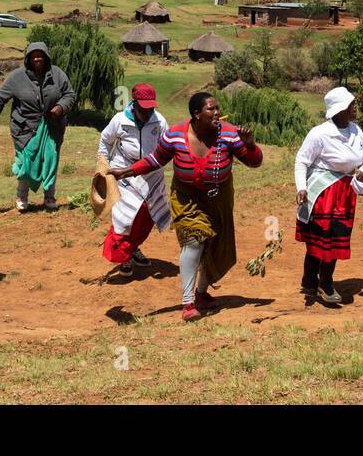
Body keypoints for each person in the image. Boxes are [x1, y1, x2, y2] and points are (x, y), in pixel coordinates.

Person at [110, 92, 262, 322]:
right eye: (211, 109)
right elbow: (155, 160)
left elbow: (255, 162)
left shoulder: (229, 134)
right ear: (196, 114)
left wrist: (250, 144)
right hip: (186, 198)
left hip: (219, 199)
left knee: (213, 245)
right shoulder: (174, 135)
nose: (217, 113)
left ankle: (201, 293)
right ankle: (188, 302)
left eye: (218, 108)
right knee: (194, 241)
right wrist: (127, 171)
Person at [294, 87, 363, 305]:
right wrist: (301, 187)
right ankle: (321, 282)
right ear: (339, 110)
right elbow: (302, 161)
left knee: (336, 237)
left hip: (346, 192)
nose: (354, 109)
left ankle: (315, 280)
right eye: (350, 106)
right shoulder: (319, 134)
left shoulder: (356, 130)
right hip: (324, 192)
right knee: (320, 238)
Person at [0, 41, 75, 212]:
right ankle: (21, 198)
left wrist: (61, 107)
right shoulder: (17, 77)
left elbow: (69, 94)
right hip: (25, 129)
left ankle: (49, 197)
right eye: (33, 56)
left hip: (52, 127)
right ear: (28, 59)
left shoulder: (57, 74)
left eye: (40, 56)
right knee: (25, 163)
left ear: (46, 57)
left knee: (50, 160)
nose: (37, 59)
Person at [97, 83, 169, 276]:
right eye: (143, 109)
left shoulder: (159, 121)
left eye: (151, 108)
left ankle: (134, 247)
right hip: (124, 173)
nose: (148, 113)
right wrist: (103, 164)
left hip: (151, 173)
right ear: (134, 104)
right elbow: (105, 140)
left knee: (146, 215)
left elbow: (166, 146)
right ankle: (125, 256)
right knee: (125, 217)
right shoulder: (119, 120)